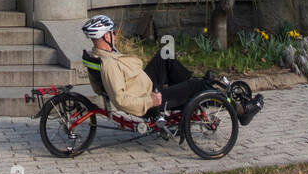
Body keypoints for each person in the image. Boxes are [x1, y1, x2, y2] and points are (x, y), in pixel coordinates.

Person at [81, 15, 211, 121]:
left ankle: (186, 97)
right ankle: (200, 92)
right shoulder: (109, 65)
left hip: (143, 85)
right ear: (106, 36)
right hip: (148, 98)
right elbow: (120, 100)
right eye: (113, 33)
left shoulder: (103, 53)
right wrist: (150, 101)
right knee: (196, 85)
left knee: (164, 56)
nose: (115, 35)